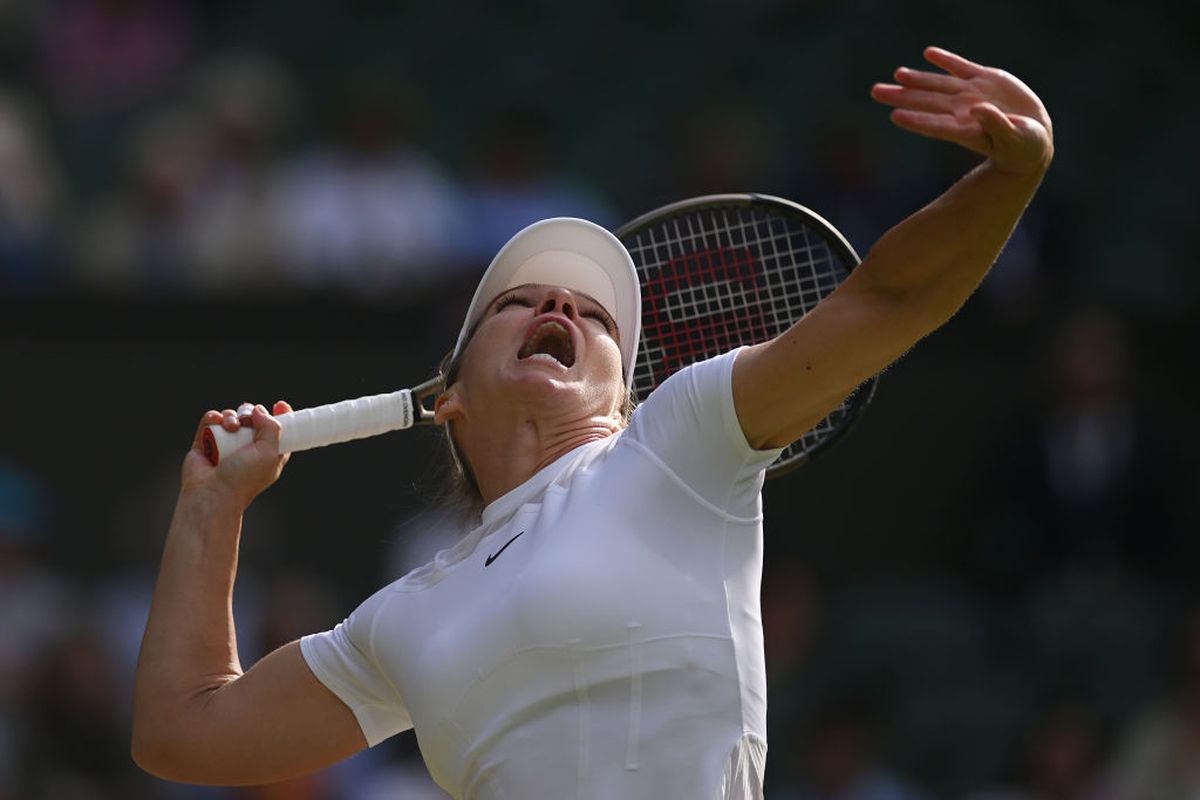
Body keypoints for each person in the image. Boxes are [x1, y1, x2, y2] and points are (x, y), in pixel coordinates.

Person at [132, 47, 1053, 799]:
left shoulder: (683, 439)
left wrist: (1011, 178)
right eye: (521, 302)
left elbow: (889, 297)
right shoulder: (402, 616)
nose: (562, 311)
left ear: (625, 398)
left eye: (596, 316)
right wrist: (212, 508)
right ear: (450, 390)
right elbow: (185, 734)